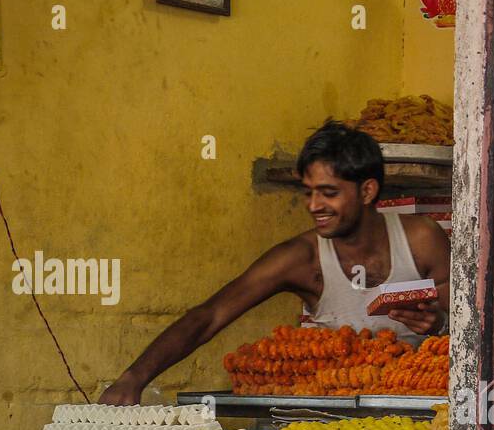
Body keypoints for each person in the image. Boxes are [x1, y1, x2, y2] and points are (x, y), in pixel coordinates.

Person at [100, 121, 450, 405]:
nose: (314, 205)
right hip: (328, 420)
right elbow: (209, 316)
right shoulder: (300, 259)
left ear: (367, 191)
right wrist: (134, 378)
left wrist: (438, 325)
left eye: (329, 193)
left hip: (418, 410)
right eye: (308, 192)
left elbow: (473, 327)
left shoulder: (421, 239)